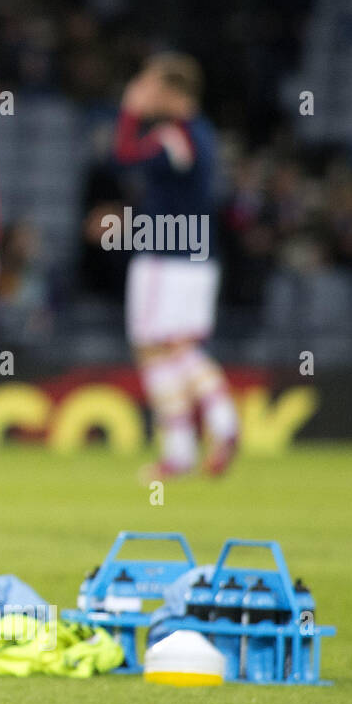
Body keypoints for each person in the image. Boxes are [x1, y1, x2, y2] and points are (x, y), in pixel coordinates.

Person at [114, 53, 238, 479]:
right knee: (176, 345)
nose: (144, 93)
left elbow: (124, 157)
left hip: (168, 252)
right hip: (198, 253)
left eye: (150, 86)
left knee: (157, 345)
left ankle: (216, 425)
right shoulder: (202, 134)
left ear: (171, 93)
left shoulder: (174, 136)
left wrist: (130, 112)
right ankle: (187, 447)